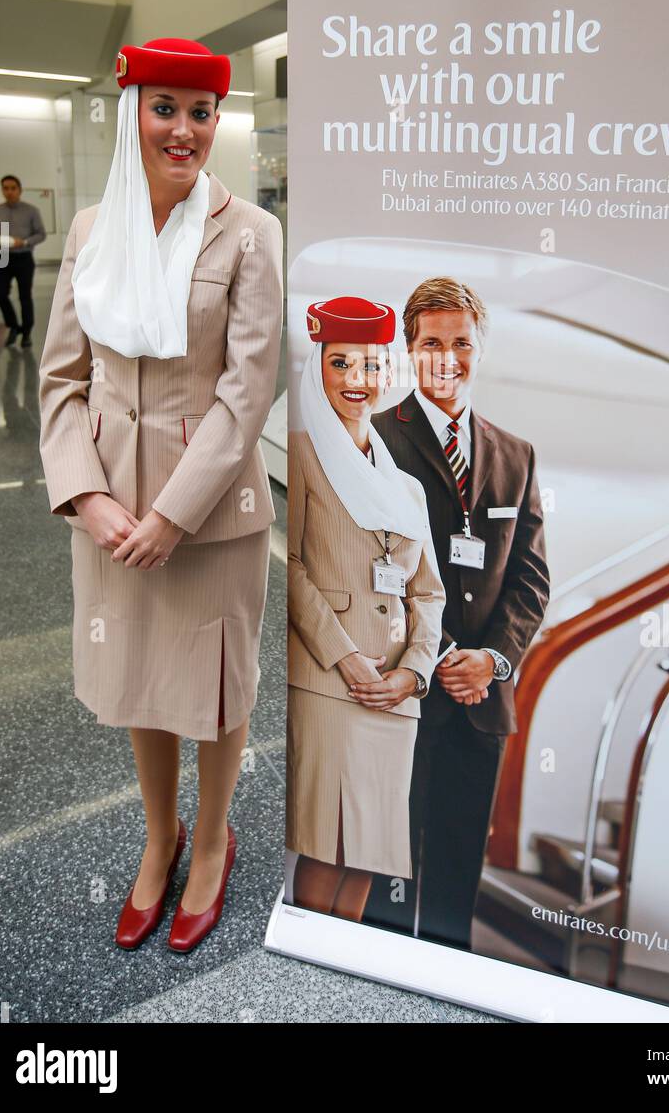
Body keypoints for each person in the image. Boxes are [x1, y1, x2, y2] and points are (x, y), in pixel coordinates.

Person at [38, 37, 283, 952]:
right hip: (109, 513)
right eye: (165, 107)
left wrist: (172, 513)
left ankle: (212, 840)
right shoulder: (94, 230)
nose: (183, 129)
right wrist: (86, 498)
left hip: (209, 514)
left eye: (201, 111)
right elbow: (63, 379)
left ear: (218, 122)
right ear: (133, 112)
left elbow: (248, 389)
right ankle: (159, 836)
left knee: (216, 690)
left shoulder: (251, 232)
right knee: (140, 684)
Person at [364, 277, 550, 950]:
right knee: (387, 874)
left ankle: (445, 975)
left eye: (462, 342)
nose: (448, 356)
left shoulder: (515, 454)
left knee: (455, 878)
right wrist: (441, 659)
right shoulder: (375, 441)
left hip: (481, 703)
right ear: (409, 350)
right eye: (432, 342)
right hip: (403, 695)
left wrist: (492, 661)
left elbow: (530, 579)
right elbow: (374, 572)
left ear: (481, 348)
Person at [286, 296, 445, 922]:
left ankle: (340, 964)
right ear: (316, 369)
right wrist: (345, 656)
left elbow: (426, 590)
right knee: (323, 850)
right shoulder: (302, 455)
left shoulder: (405, 485)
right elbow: (291, 570)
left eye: (373, 366)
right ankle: (303, 976)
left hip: (395, 692)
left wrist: (417, 671)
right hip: (331, 681)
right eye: (341, 363)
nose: (359, 380)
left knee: (371, 855)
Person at [0, 175, 46, 347]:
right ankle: (13, 326)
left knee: (25, 296)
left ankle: (27, 332)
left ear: (19, 190)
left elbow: (41, 234)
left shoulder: (31, 211)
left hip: (23, 257)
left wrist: (24, 242)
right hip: (3, 257)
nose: (9, 192)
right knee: (0, 294)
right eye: (5, 188)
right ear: (2, 190)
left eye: (13, 188)